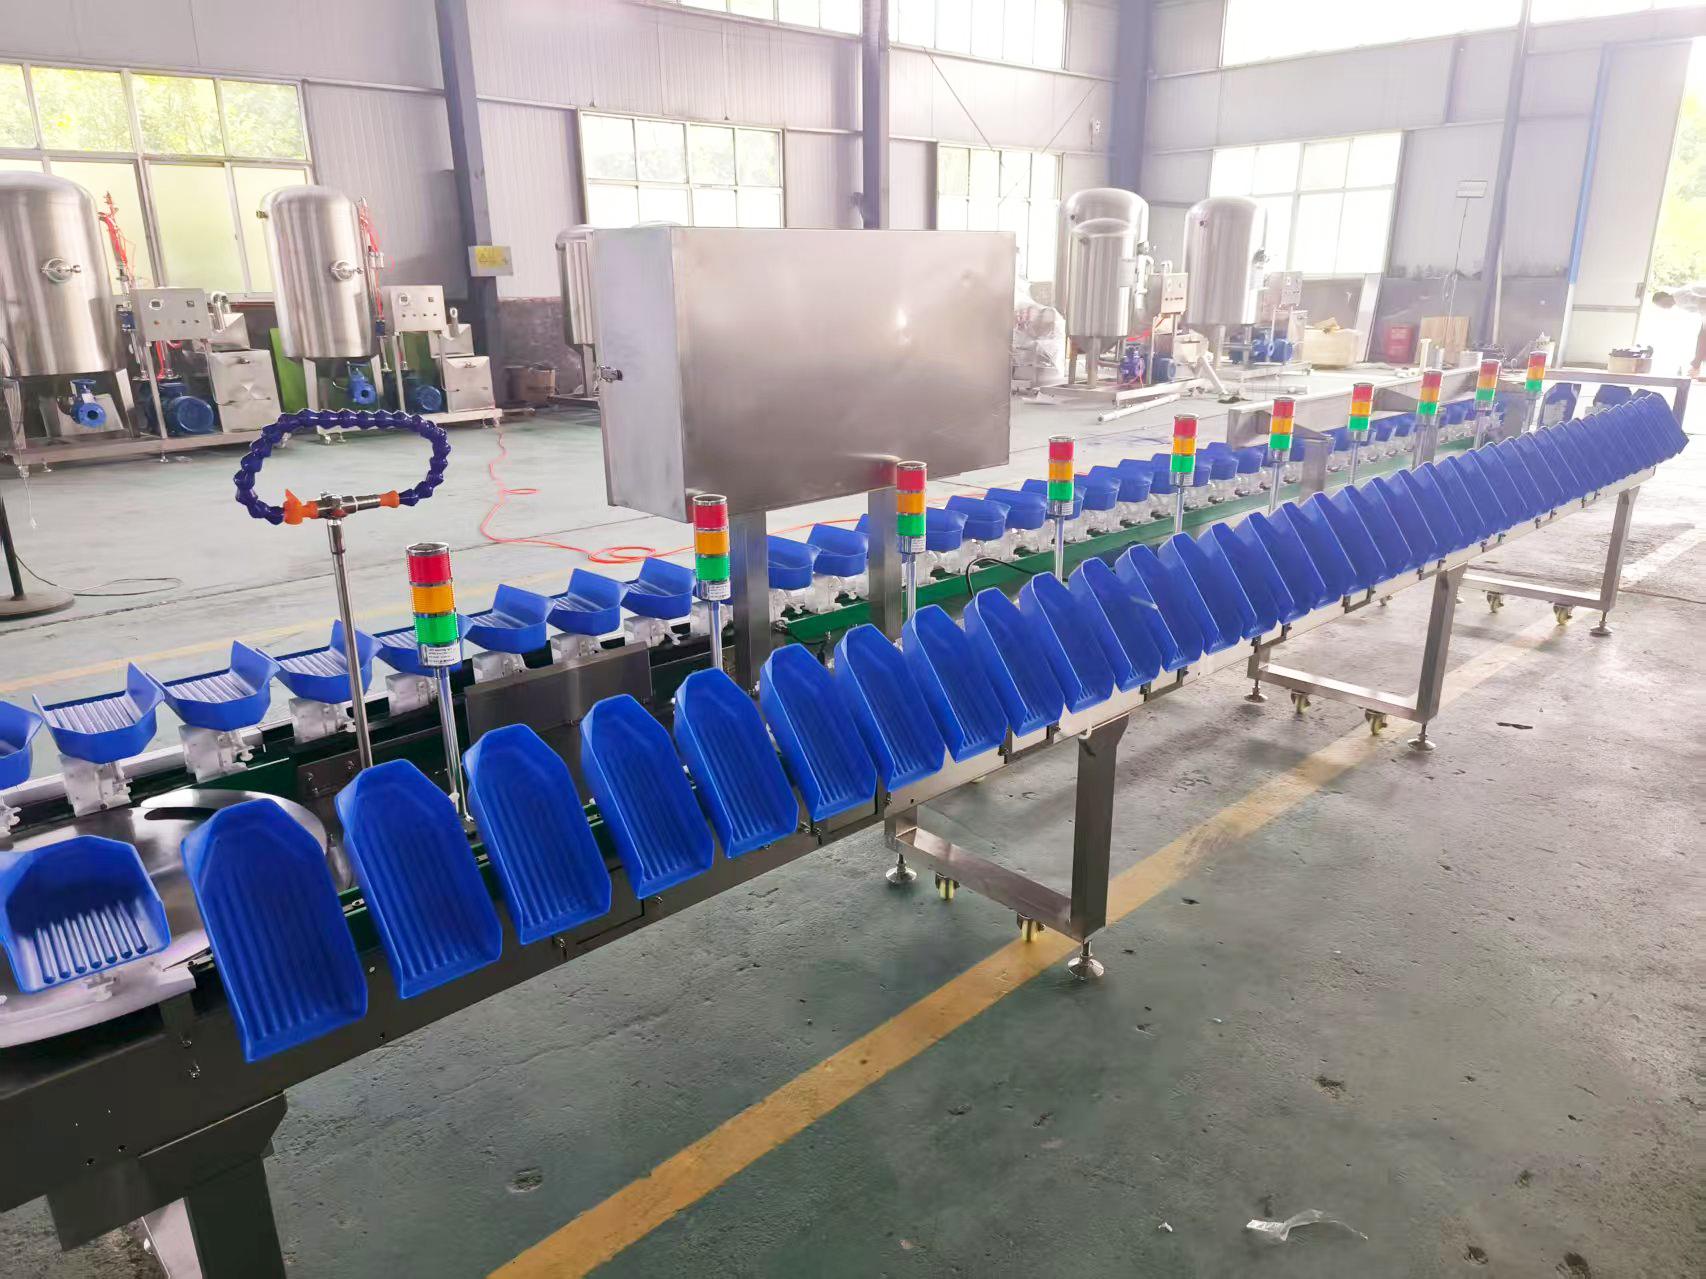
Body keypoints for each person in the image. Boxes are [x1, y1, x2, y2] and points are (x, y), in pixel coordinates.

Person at [1649, 284, 1706, 377]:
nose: (1664, 307)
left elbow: (1702, 299)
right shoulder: (1679, 301)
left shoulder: (1680, 297)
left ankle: (1696, 366)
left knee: (1702, 339)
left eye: (1661, 304)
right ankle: (1696, 366)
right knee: (1702, 340)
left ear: (1665, 297)